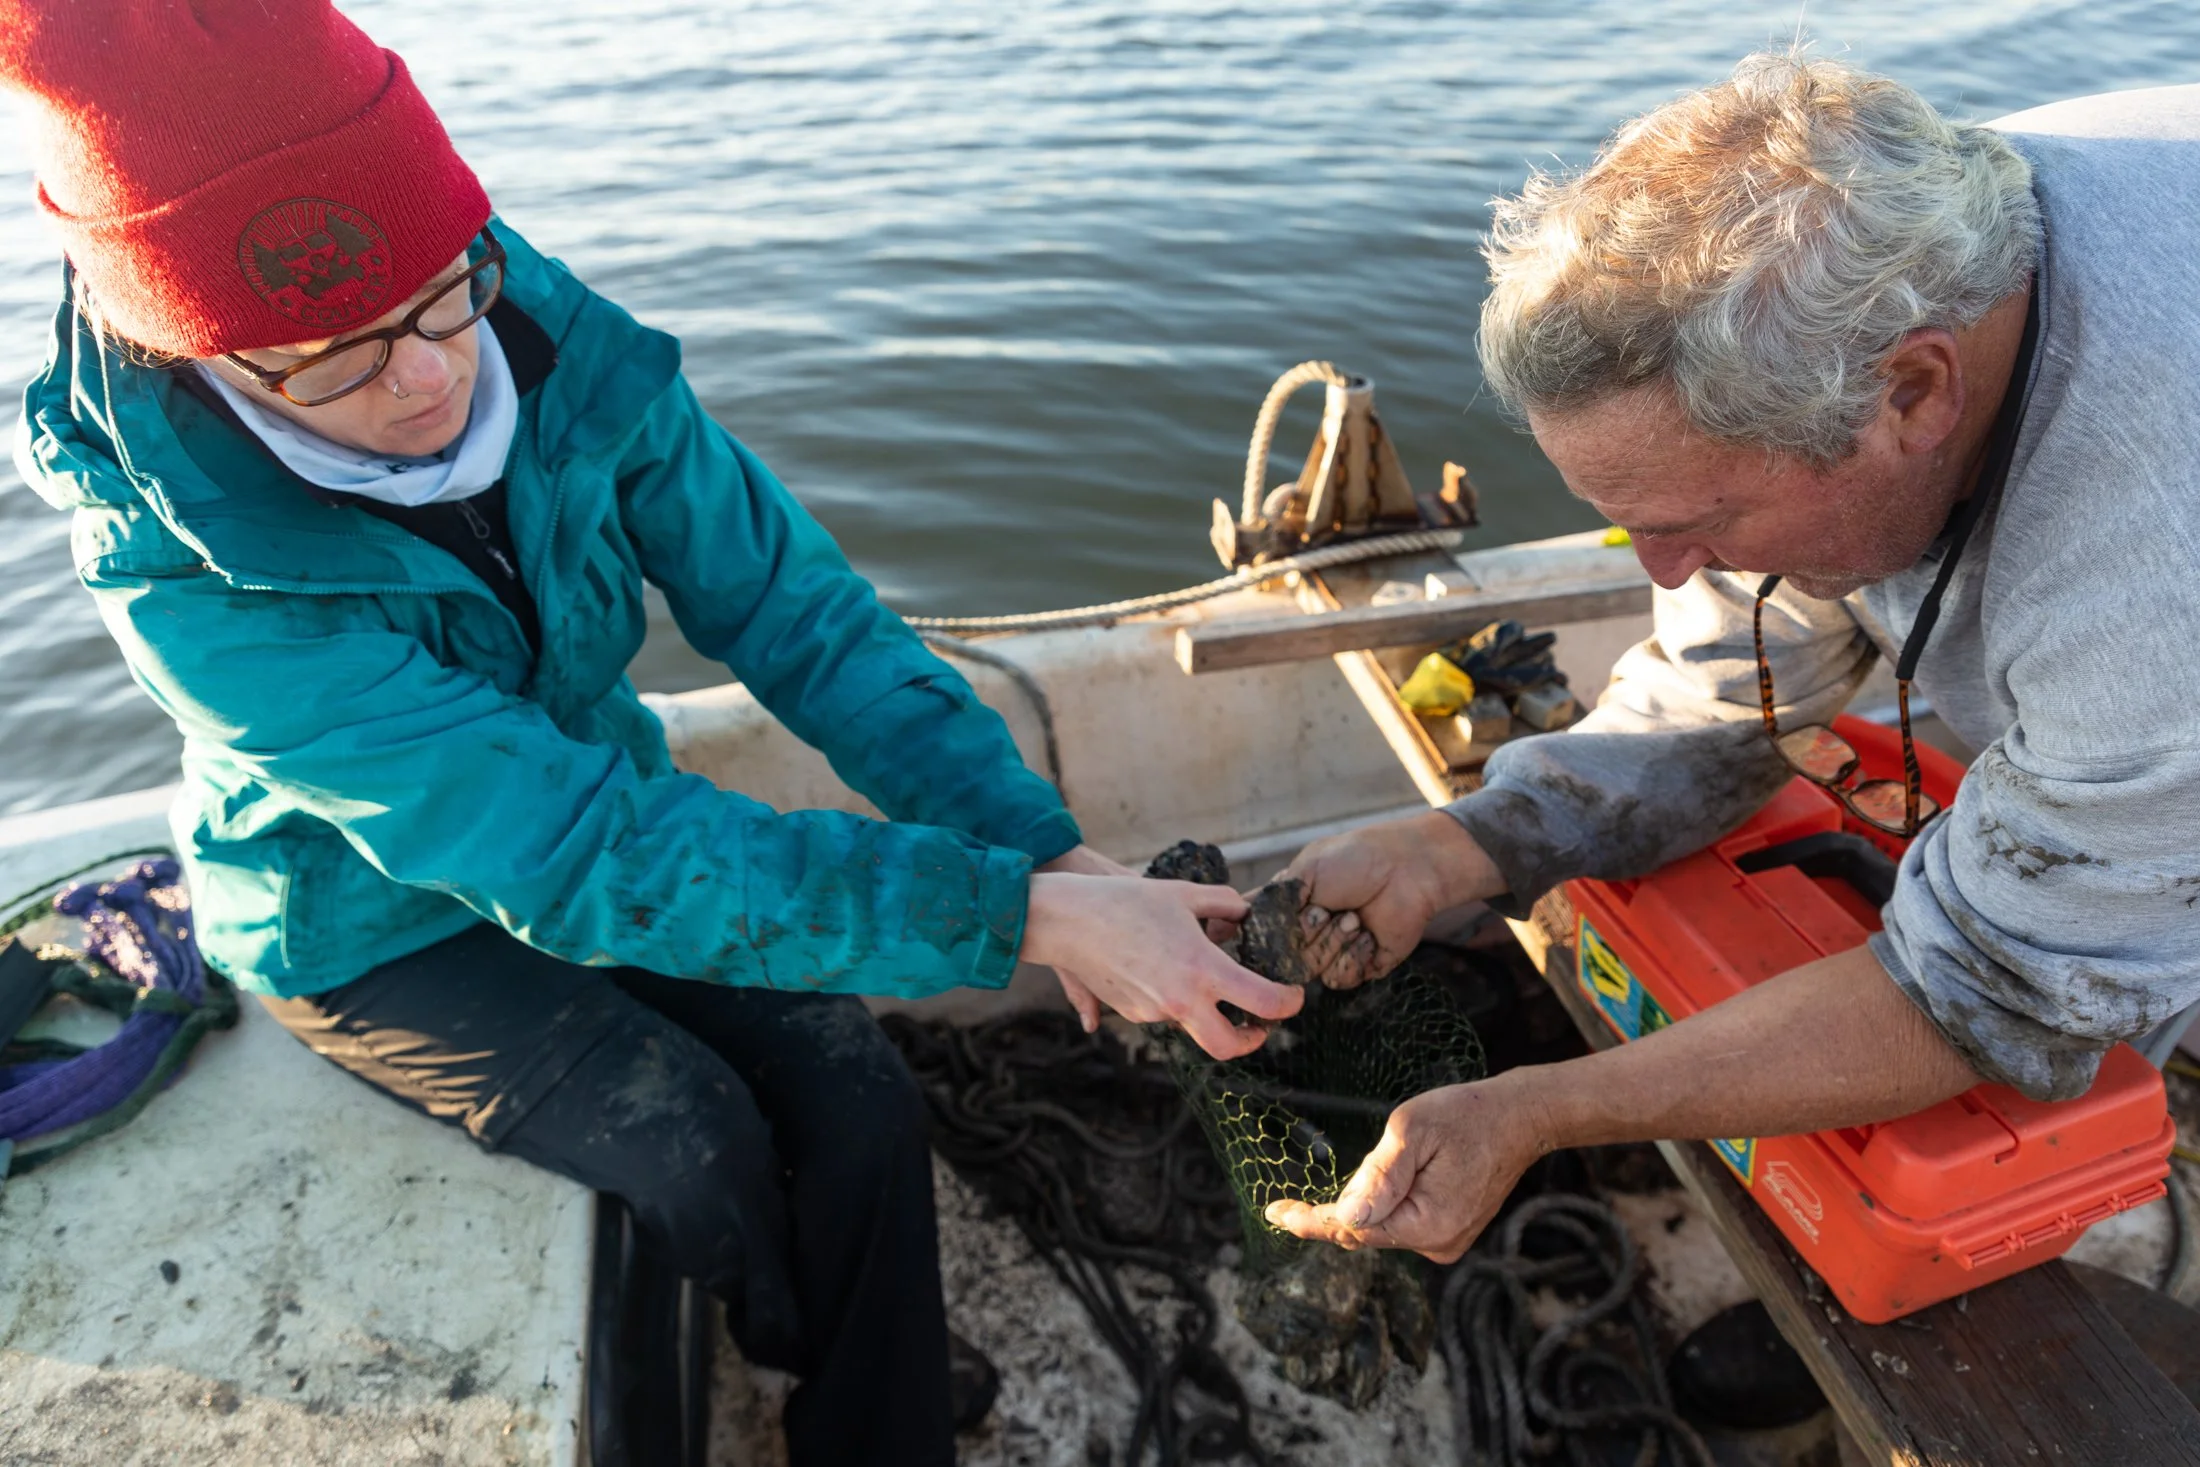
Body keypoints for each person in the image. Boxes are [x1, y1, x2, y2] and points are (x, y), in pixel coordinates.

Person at [2, 4, 1300, 1462]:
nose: (429, 377)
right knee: (691, 1142)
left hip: (609, 804)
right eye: (333, 358)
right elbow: (570, 852)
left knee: (861, 1090)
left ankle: (873, 1422)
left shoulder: (547, 336)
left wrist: (1043, 847)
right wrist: (1017, 916)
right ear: (200, 358)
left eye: (445, 294)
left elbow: (799, 614)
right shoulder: (182, 579)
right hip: (369, 922)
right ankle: (792, 1335)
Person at [1267, 52, 2200, 1261]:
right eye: (1633, 520)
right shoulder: (1891, 252)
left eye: (1696, 524)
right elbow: (1729, 682)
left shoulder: (2148, 593)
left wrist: (1539, 1111)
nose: (1664, 571)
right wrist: (1457, 847)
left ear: (1916, 397)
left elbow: (1979, 996)